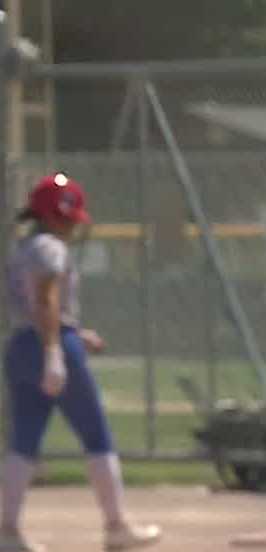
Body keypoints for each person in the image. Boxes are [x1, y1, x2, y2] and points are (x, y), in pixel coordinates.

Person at [0, 174, 161, 552]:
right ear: (56, 215)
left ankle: (6, 530)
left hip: (21, 344)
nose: (74, 225)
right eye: (69, 216)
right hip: (49, 345)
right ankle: (116, 526)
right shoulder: (50, 249)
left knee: (24, 440)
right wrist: (57, 349)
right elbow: (46, 299)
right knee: (96, 434)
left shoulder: (22, 247)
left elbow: (34, 308)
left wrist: (73, 330)